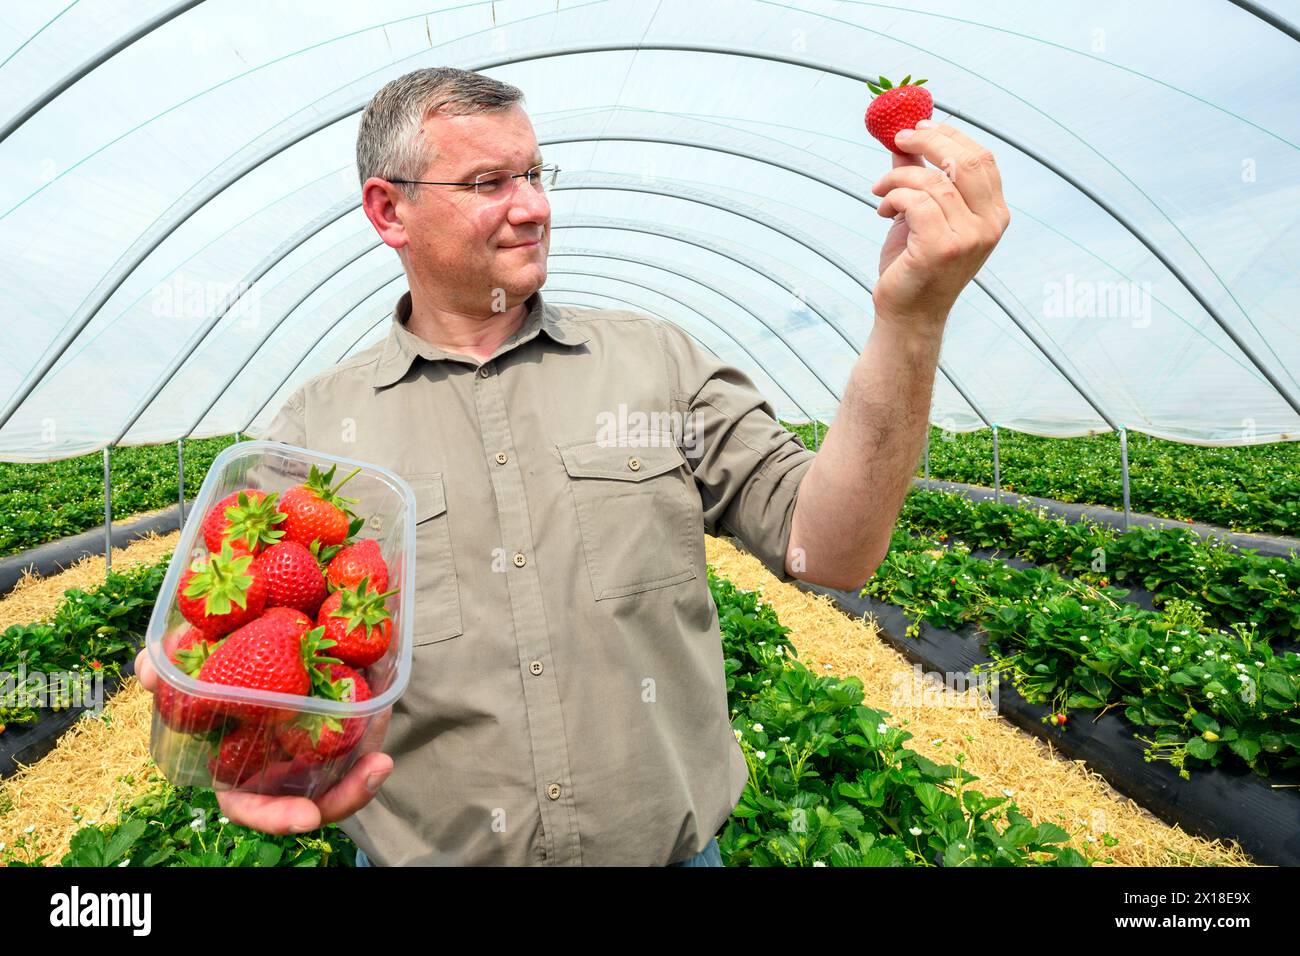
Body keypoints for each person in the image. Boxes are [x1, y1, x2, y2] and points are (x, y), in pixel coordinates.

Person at [135, 65, 1009, 866]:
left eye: (534, 174)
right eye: (488, 183)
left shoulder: (657, 365)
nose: (534, 207)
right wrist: (238, 742)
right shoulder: (317, 434)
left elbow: (831, 550)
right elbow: (247, 662)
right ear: (389, 211)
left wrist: (911, 320)